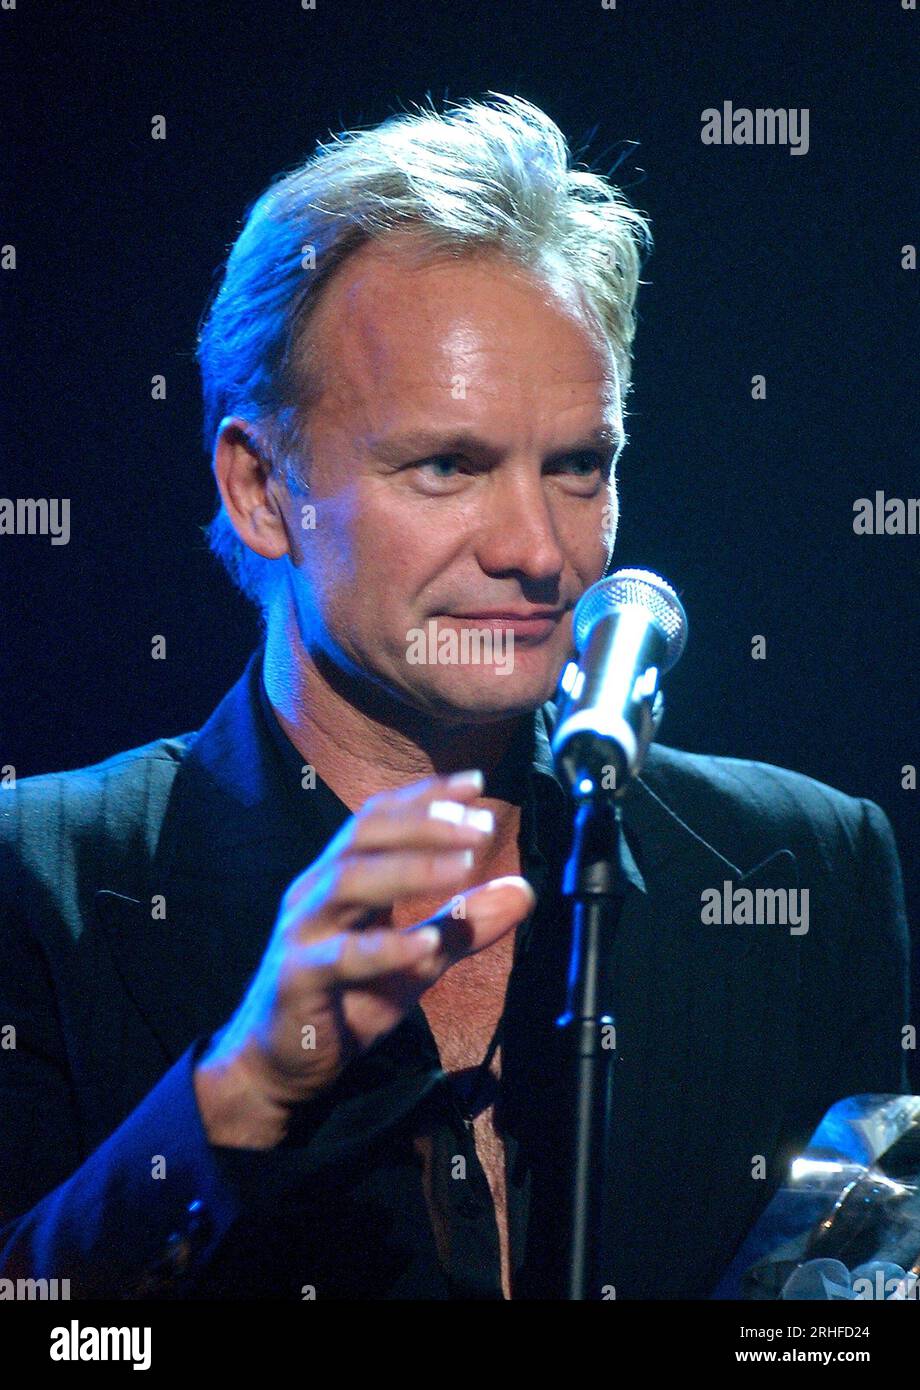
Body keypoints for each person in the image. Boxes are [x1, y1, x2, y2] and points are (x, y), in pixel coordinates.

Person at [0, 94, 909, 1301]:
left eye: (578, 466)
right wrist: (242, 1093)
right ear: (262, 490)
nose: (539, 549)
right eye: (446, 465)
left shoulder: (807, 865)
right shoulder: (42, 881)